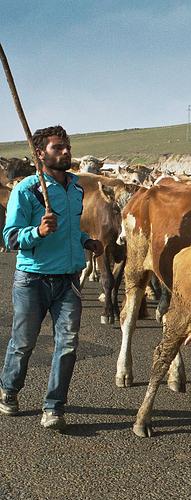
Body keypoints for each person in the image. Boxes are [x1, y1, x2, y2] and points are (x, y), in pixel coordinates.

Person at [0, 125, 103, 431]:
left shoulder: (75, 188)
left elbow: (71, 228)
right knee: (23, 342)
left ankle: (54, 406)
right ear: (40, 154)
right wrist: (38, 231)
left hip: (68, 280)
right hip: (32, 280)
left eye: (67, 146)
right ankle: (9, 389)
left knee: (68, 344)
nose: (66, 151)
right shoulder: (27, 190)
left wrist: (85, 240)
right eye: (58, 147)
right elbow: (10, 238)